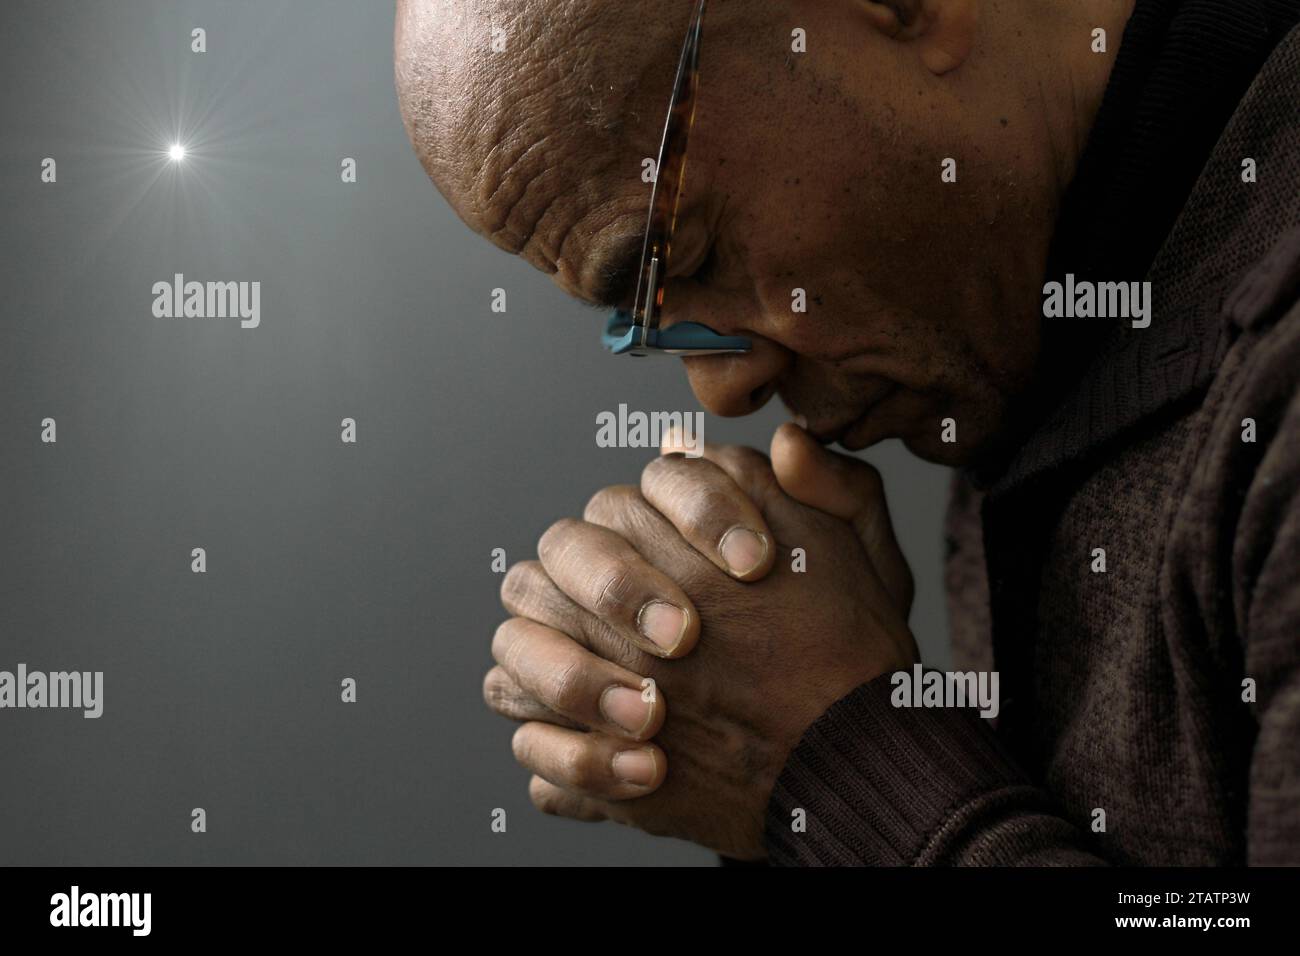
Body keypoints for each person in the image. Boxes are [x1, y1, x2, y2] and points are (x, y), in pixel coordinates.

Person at [395, 0, 1300, 863]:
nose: (721, 391)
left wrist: (836, 767)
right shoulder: (1030, 326)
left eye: (694, 257)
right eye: (646, 324)